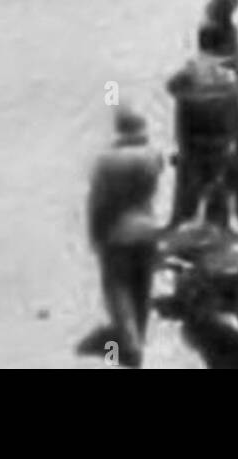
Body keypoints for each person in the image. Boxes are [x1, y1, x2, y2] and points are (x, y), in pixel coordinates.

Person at [85, 107, 164, 368]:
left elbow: (97, 201)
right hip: (147, 229)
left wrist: (95, 233)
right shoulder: (152, 156)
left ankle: (129, 344)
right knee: (142, 287)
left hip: (116, 232)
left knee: (118, 289)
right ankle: (138, 334)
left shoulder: (106, 162)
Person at [167, 23, 238, 228]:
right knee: (218, 186)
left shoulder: (189, 71)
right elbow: (236, 112)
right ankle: (218, 224)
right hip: (219, 142)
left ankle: (181, 224)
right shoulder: (227, 75)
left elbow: (172, 88)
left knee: (187, 190)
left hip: (191, 142)